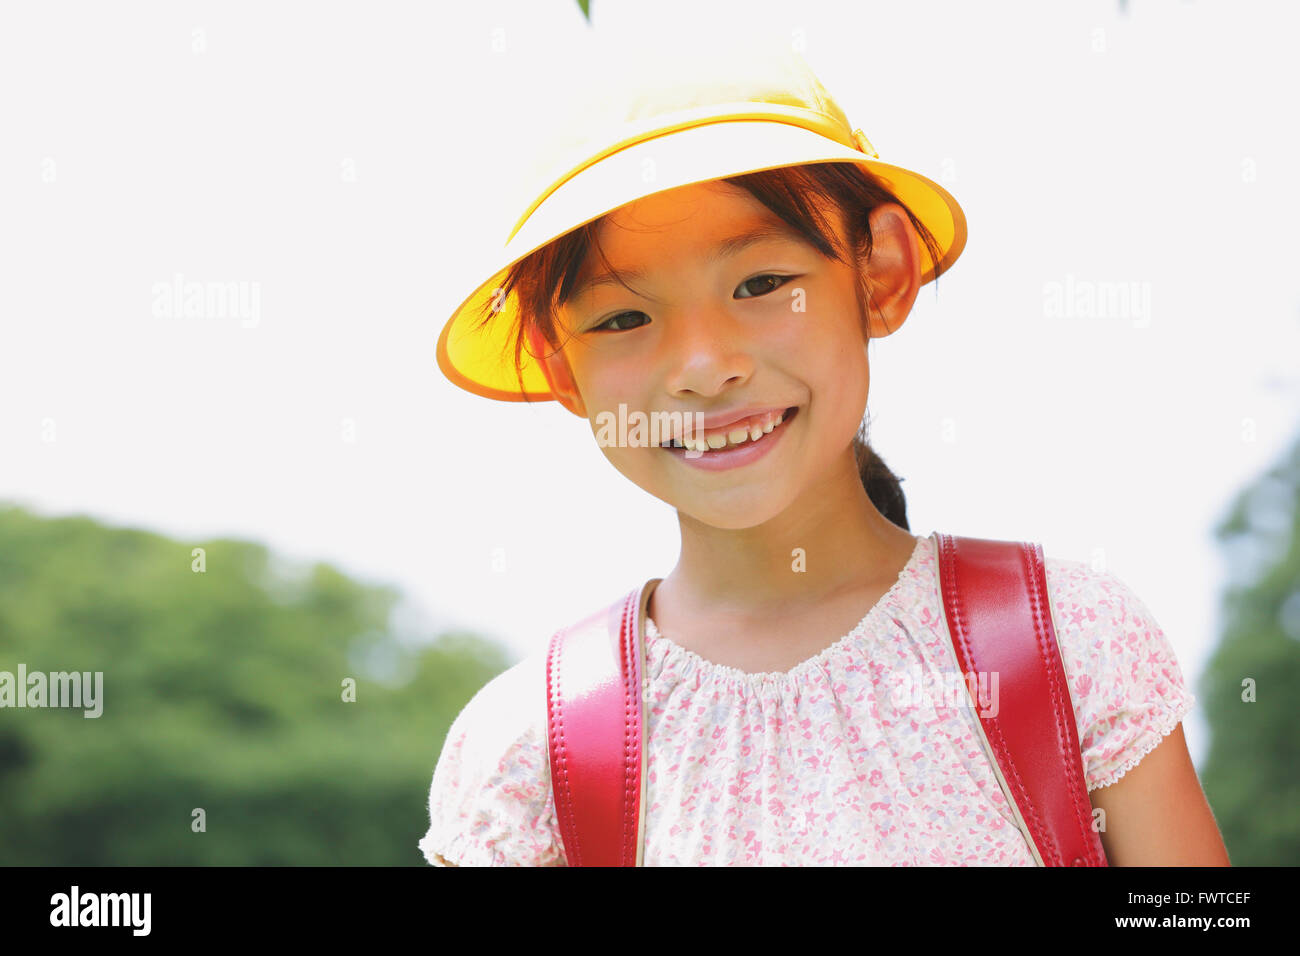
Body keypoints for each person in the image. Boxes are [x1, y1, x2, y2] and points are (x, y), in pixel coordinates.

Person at [419, 40, 1229, 866]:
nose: (704, 366)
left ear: (881, 275)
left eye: (762, 284)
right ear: (560, 366)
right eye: (623, 319)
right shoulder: (528, 754)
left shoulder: (1064, 639)